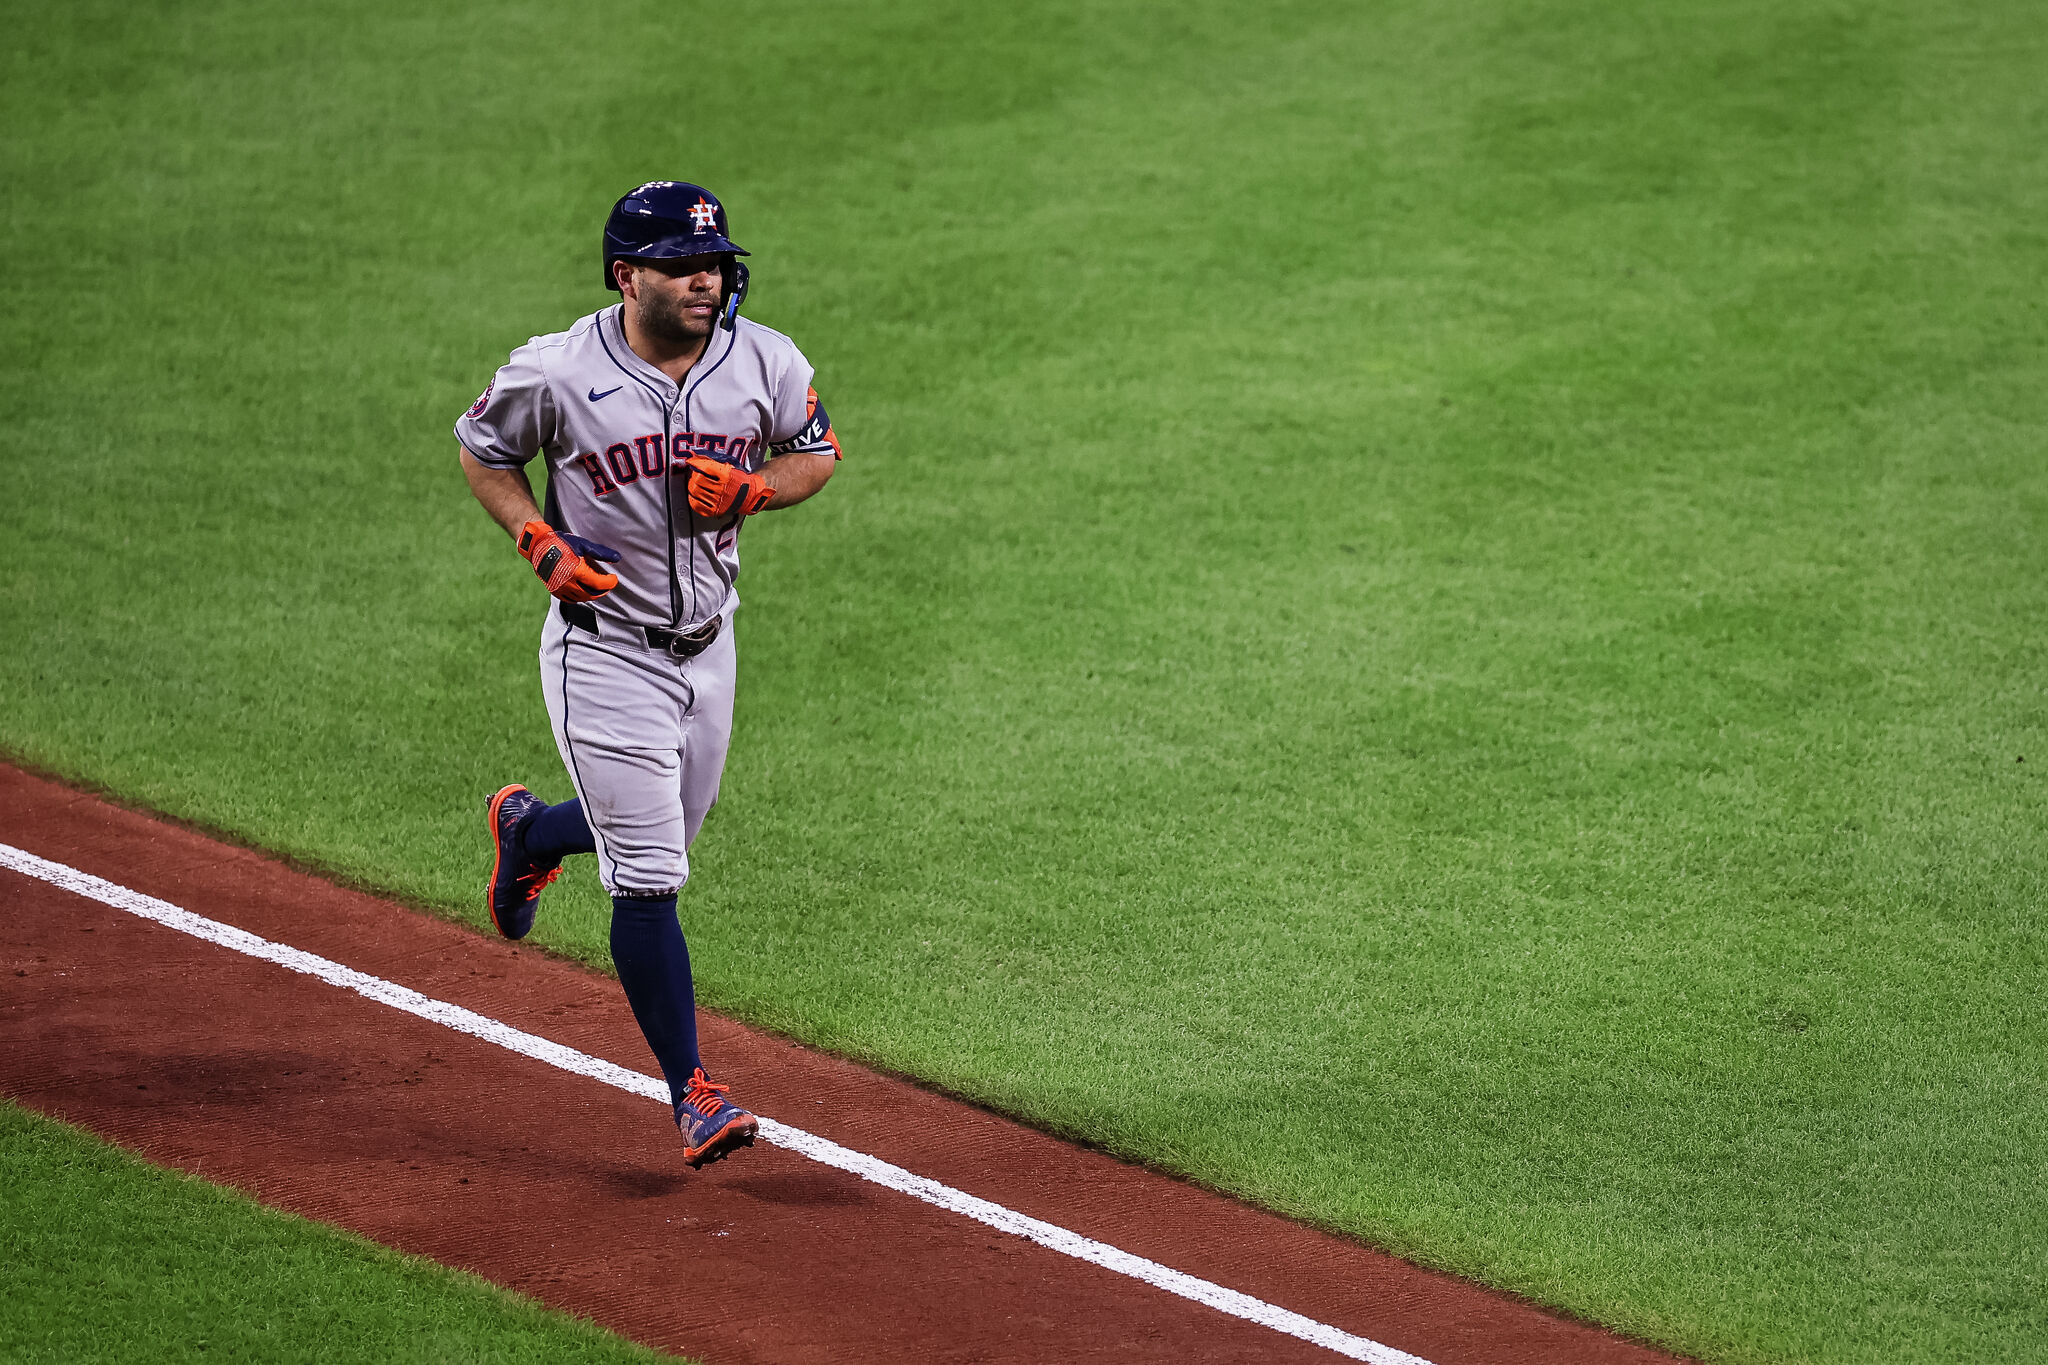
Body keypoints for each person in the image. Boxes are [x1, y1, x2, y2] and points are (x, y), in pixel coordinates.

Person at [454, 180, 842, 1168]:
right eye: (681, 267)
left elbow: (816, 452)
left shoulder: (766, 360)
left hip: (711, 646)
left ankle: (530, 832)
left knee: (662, 832)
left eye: (713, 264)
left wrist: (756, 489)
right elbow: (481, 451)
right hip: (603, 652)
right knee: (652, 875)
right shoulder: (556, 371)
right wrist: (535, 537)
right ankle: (693, 1092)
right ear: (627, 277)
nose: (706, 281)